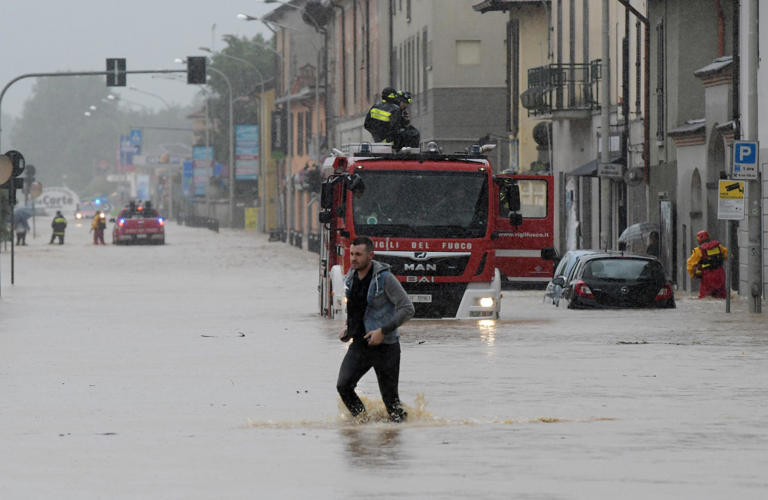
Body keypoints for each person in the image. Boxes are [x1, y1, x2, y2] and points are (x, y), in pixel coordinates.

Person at [336, 236, 415, 423]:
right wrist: (348, 328)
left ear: (370, 255)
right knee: (343, 386)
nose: (353, 258)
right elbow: (357, 308)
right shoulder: (351, 277)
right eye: (351, 254)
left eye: (358, 255)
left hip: (386, 347)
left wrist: (383, 331)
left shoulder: (385, 278)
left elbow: (407, 308)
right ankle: (363, 423)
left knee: (391, 403)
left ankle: (399, 432)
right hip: (360, 345)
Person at [686, 230, 728, 299]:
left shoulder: (698, 251)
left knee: (705, 297)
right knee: (721, 296)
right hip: (720, 274)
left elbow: (690, 264)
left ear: (699, 241)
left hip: (707, 276)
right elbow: (729, 255)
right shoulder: (719, 247)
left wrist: (693, 275)